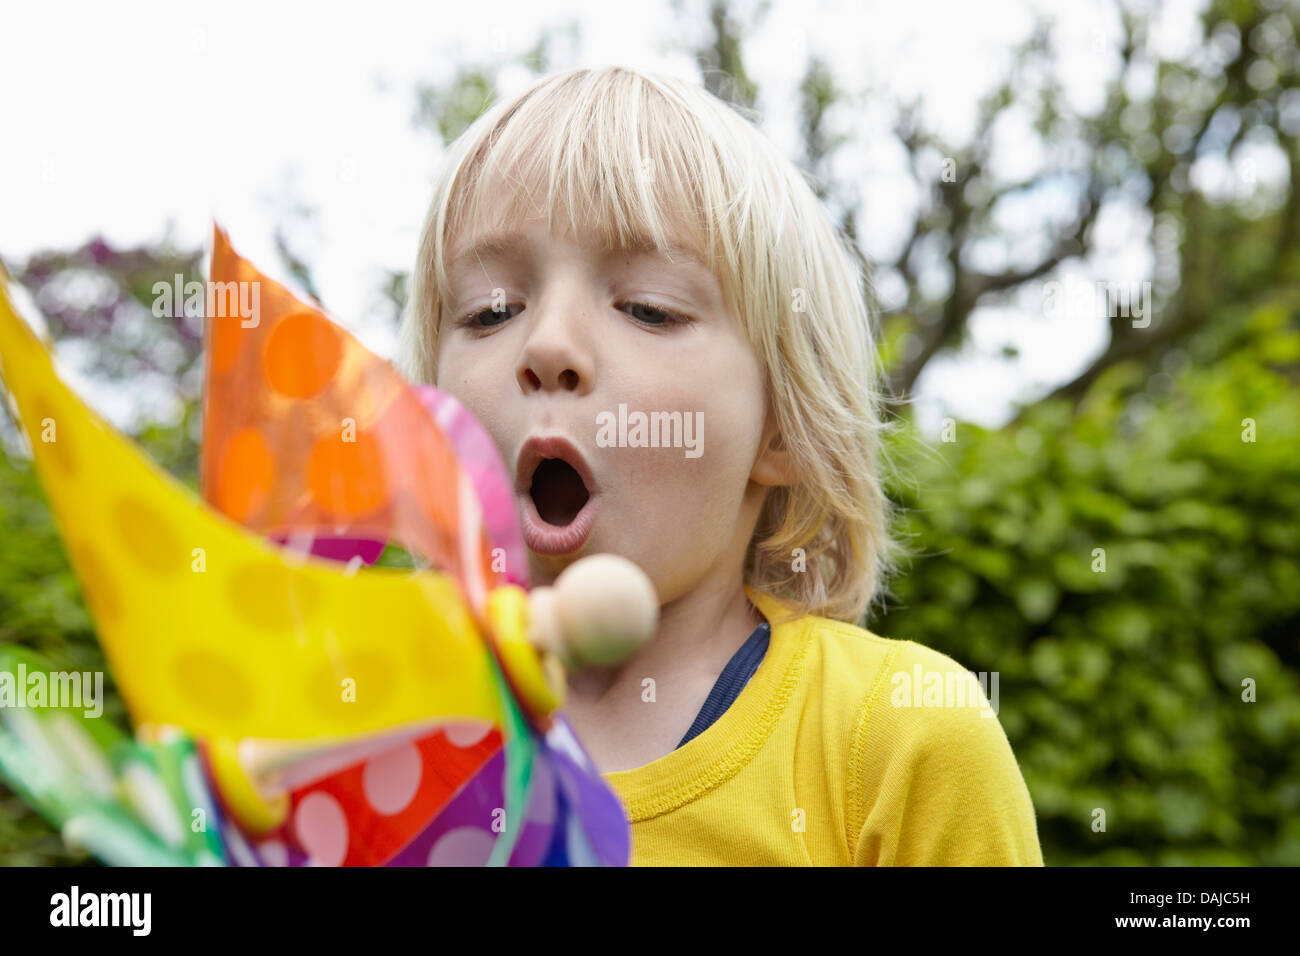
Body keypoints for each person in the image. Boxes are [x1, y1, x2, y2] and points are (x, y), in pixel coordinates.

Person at [400, 65, 1043, 866]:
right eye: (491, 310)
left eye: (648, 308)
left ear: (781, 431)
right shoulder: (358, 735)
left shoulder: (895, 741)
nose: (547, 347)